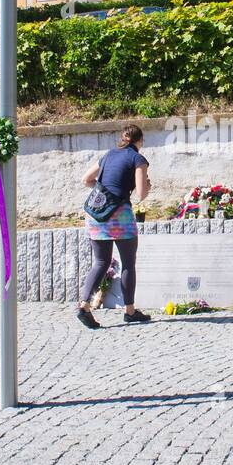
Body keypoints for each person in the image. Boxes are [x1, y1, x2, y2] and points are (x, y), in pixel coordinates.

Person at [77, 124, 151, 328]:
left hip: (96, 214)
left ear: (123, 138)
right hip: (120, 216)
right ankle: (130, 311)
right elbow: (142, 194)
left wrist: (105, 192)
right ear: (140, 141)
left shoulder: (108, 154)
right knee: (128, 263)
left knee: (101, 262)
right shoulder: (138, 159)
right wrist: (146, 186)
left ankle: (84, 305)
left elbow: (86, 180)